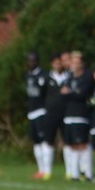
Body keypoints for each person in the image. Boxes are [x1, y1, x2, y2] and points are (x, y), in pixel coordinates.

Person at [62, 52, 95, 180]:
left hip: (81, 115)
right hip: (69, 115)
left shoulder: (87, 77)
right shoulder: (69, 77)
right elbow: (63, 93)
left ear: (82, 64)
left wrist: (69, 93)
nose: (74, 65)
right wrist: (70, 93)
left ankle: (87, 173)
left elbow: (81, 95)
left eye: (77, 62)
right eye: (72, 62)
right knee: (72, 145)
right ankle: (75, 173)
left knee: (83, 144)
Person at [24, 52, 55, 180]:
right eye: (29, 60)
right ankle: (40, 169)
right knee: (36, 142)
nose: (31, 63)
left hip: (41, 112)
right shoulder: (27, 75)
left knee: (45, 142)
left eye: (33, 60)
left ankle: (47, 170)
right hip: (31, 112)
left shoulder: (44, 75)